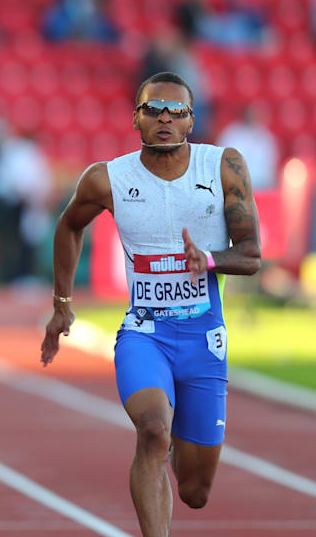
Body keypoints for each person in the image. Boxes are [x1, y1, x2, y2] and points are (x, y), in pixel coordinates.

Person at [41, 71, 261, 536]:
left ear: (191, 121)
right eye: (153, 110)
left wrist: (209, 260)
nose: (164, 118)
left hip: (204, 339)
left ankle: (181, 431)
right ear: (135, 119)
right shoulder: (108, 178)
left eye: (176, 111)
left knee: (195, 491)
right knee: (153, 431)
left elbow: (251, 255)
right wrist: (62, 303)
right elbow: (69, 225)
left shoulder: (223, 166)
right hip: (145, 335)